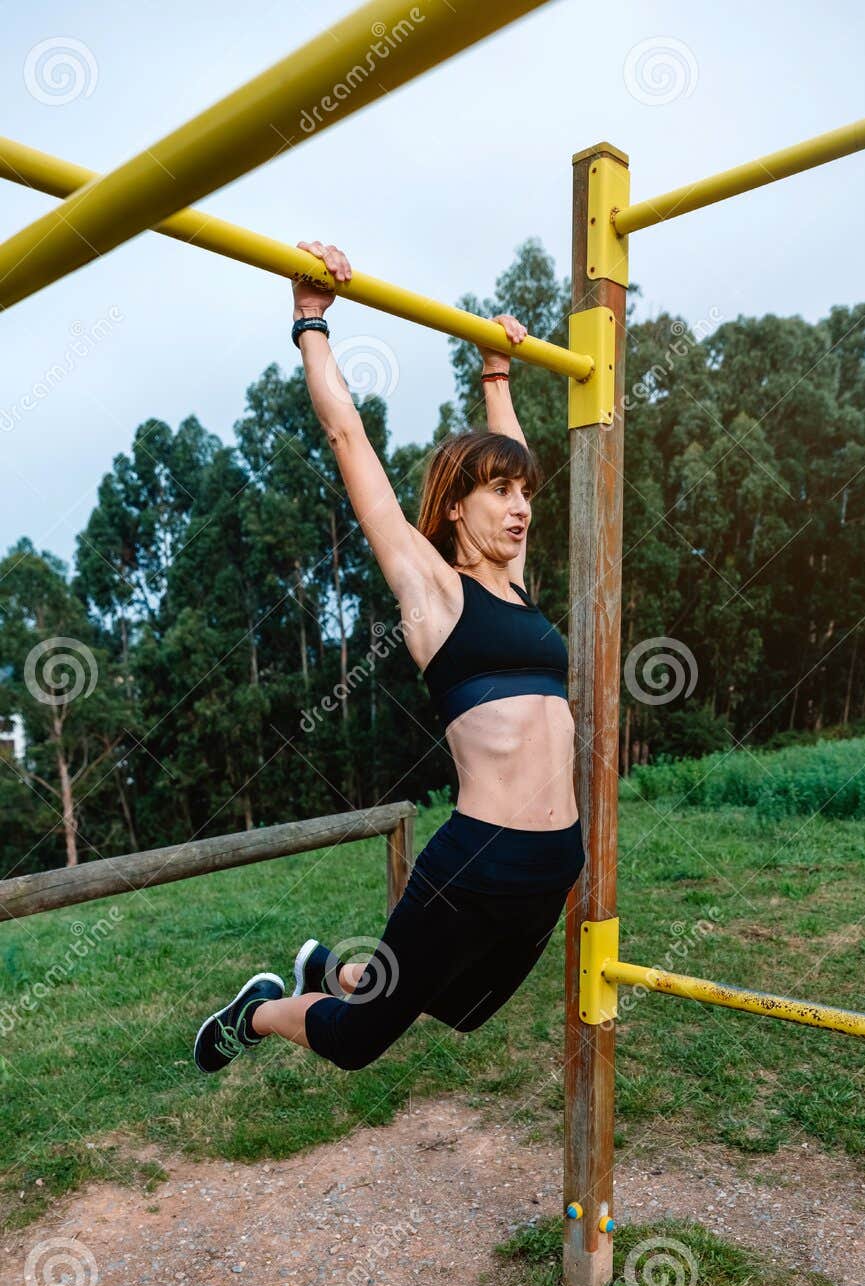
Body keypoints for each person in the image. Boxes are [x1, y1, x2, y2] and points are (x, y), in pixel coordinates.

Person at [194, 240, 584, 1076]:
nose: (521, 509)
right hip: (476, 864)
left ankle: (329, 972)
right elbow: (348, 439)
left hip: (553, 862)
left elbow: (510, 453)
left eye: (526, 495)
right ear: (453, 509)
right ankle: (260, 1012)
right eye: (501, 494)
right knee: (355, 1040)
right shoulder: (433, 592)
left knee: (462, 1009)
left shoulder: (515, 586)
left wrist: (496, 372)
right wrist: (311, 321)